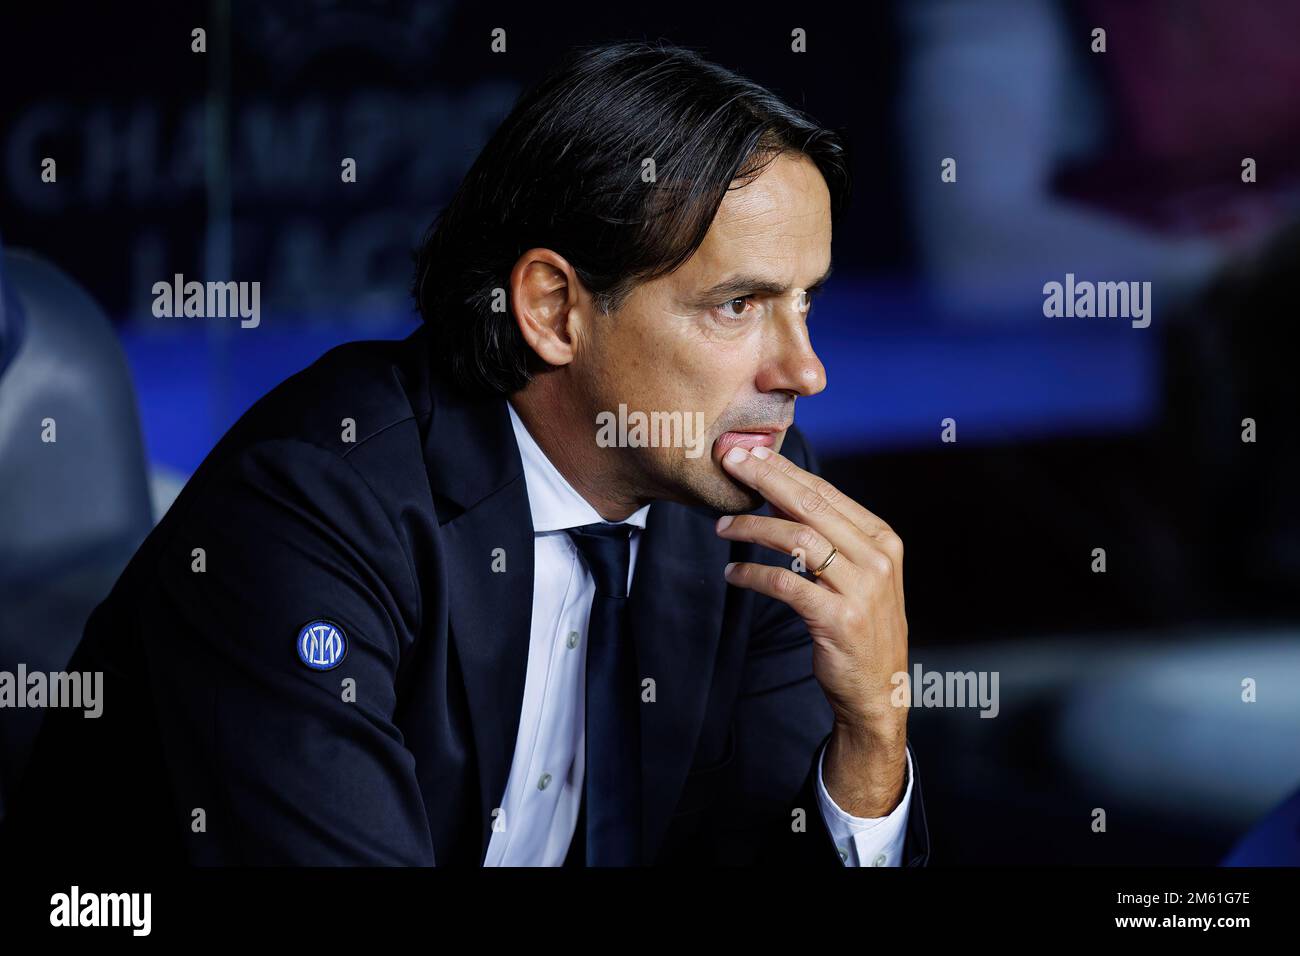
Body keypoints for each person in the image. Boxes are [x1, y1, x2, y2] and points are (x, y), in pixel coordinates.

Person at [3, 41, 928, 866]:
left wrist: (874, 737)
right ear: (554, 310)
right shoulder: (309, 505)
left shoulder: (758, 499)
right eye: (739, 305)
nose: (805, 369)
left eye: (807, 301)